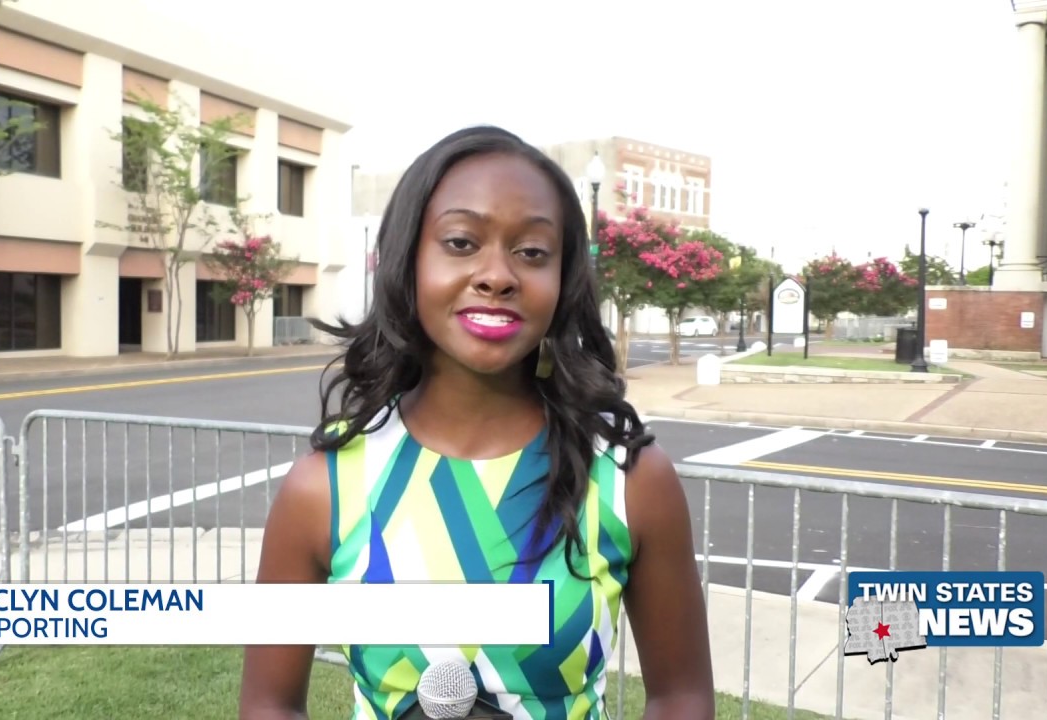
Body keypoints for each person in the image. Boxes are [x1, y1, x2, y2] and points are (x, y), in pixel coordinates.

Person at [238, 125, 714, 719]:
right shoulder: (324, 487)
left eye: (532, 252)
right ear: (406, 260)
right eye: (461, 242)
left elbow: (681, 697)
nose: (497, 276)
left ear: (563, 280)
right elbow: (269, 705)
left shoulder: (630, 481)